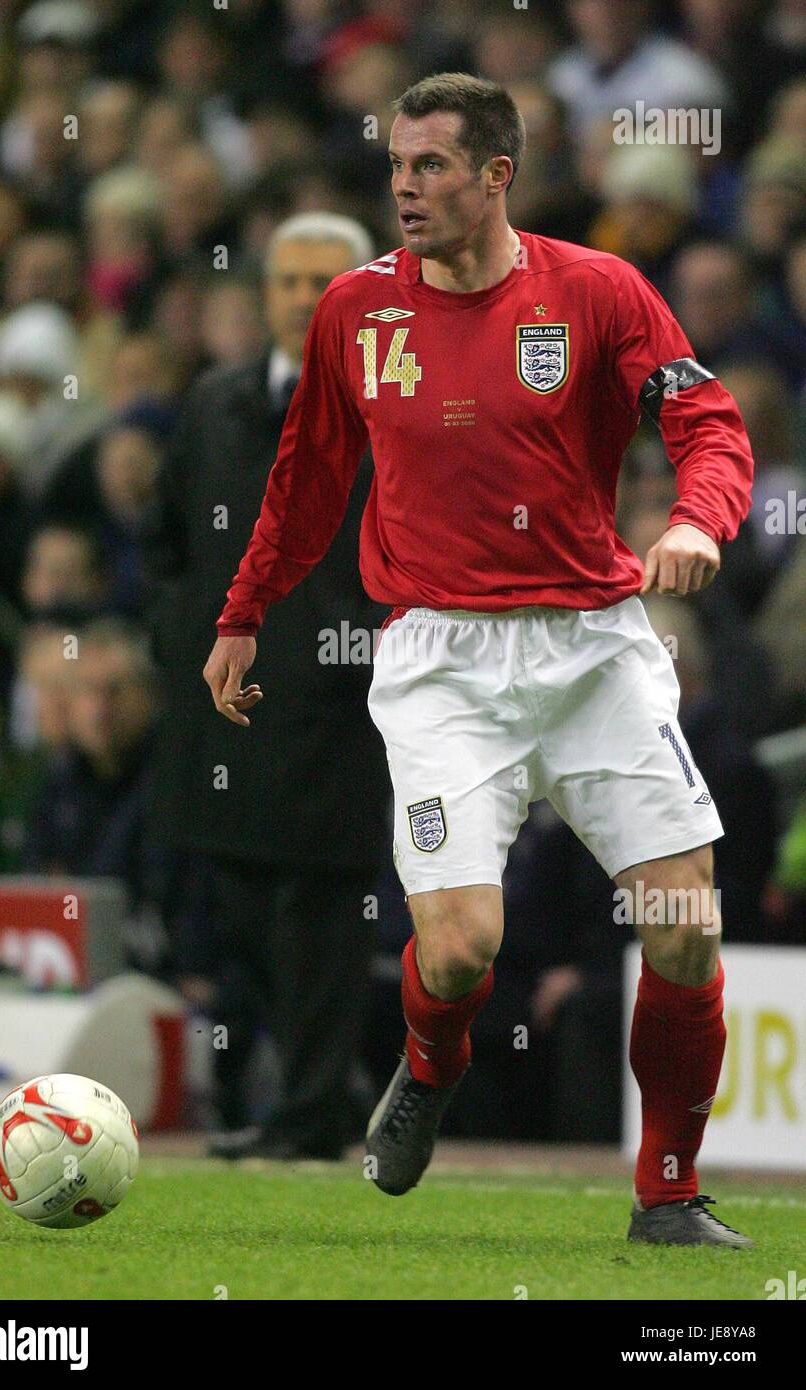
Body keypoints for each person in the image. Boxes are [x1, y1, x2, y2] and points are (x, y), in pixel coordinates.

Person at [204, 74, 756, 1247]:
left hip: (591, 645)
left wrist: (699, 516)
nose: (403, 188)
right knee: (458, 950)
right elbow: (306, 475)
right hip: (441, 657)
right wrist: (243, 606)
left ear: (496, 174)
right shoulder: (356, 312)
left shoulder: (597, 290)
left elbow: (702, 419)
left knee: (680, 922)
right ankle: (428, 1059)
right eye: (396, 167)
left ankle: (665, 1191)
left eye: (431, 168)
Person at [152, 212, 390, 1157]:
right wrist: (182, 641)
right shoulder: (214, 402)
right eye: (287, 281)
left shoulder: (391, 405)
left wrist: (364, 658)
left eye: (321, 280)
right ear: (263, 293)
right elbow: (168, 541)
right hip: (226, 714)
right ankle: (310, 1106)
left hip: (338, 711)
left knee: (322, 919)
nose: (301, 298)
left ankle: (310, 1110)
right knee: (246, 907)